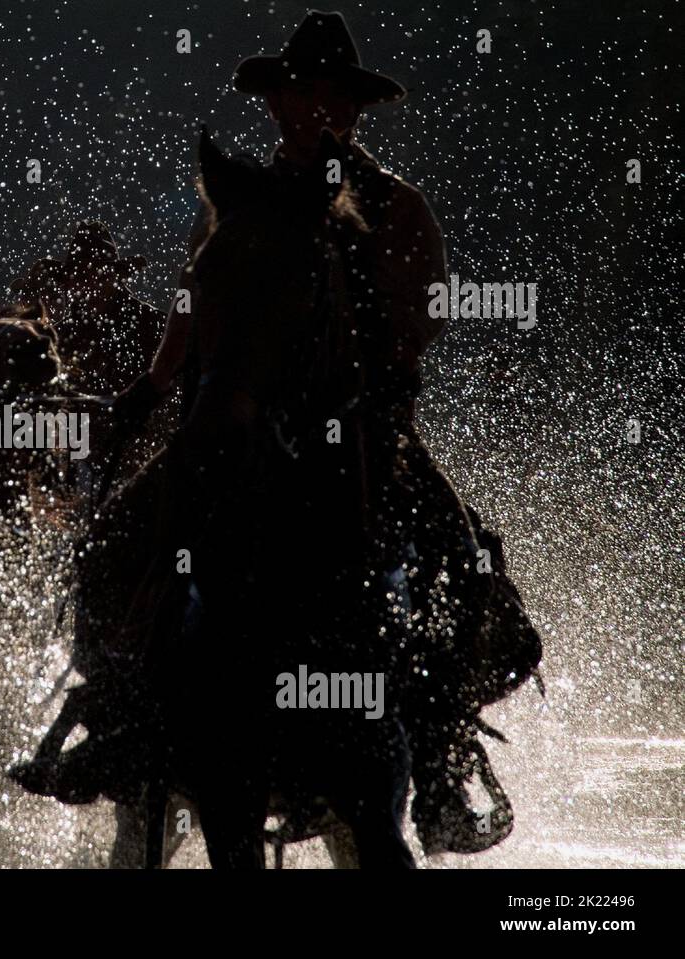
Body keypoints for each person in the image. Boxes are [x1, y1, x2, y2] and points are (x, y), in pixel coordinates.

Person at [36, 10, 541, 858]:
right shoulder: (238, 201)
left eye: (337, 98)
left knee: (461, 559)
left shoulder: (398, 207)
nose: (321, 110)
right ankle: (124, 720)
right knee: (116, 545)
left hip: (369, 432)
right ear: (277, 103)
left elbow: (423, 318)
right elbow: (195, 301)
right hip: (235, 423)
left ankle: (441, 745)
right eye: (306, 94)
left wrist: (364, 352)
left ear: (356, 110)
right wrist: (153, 387)